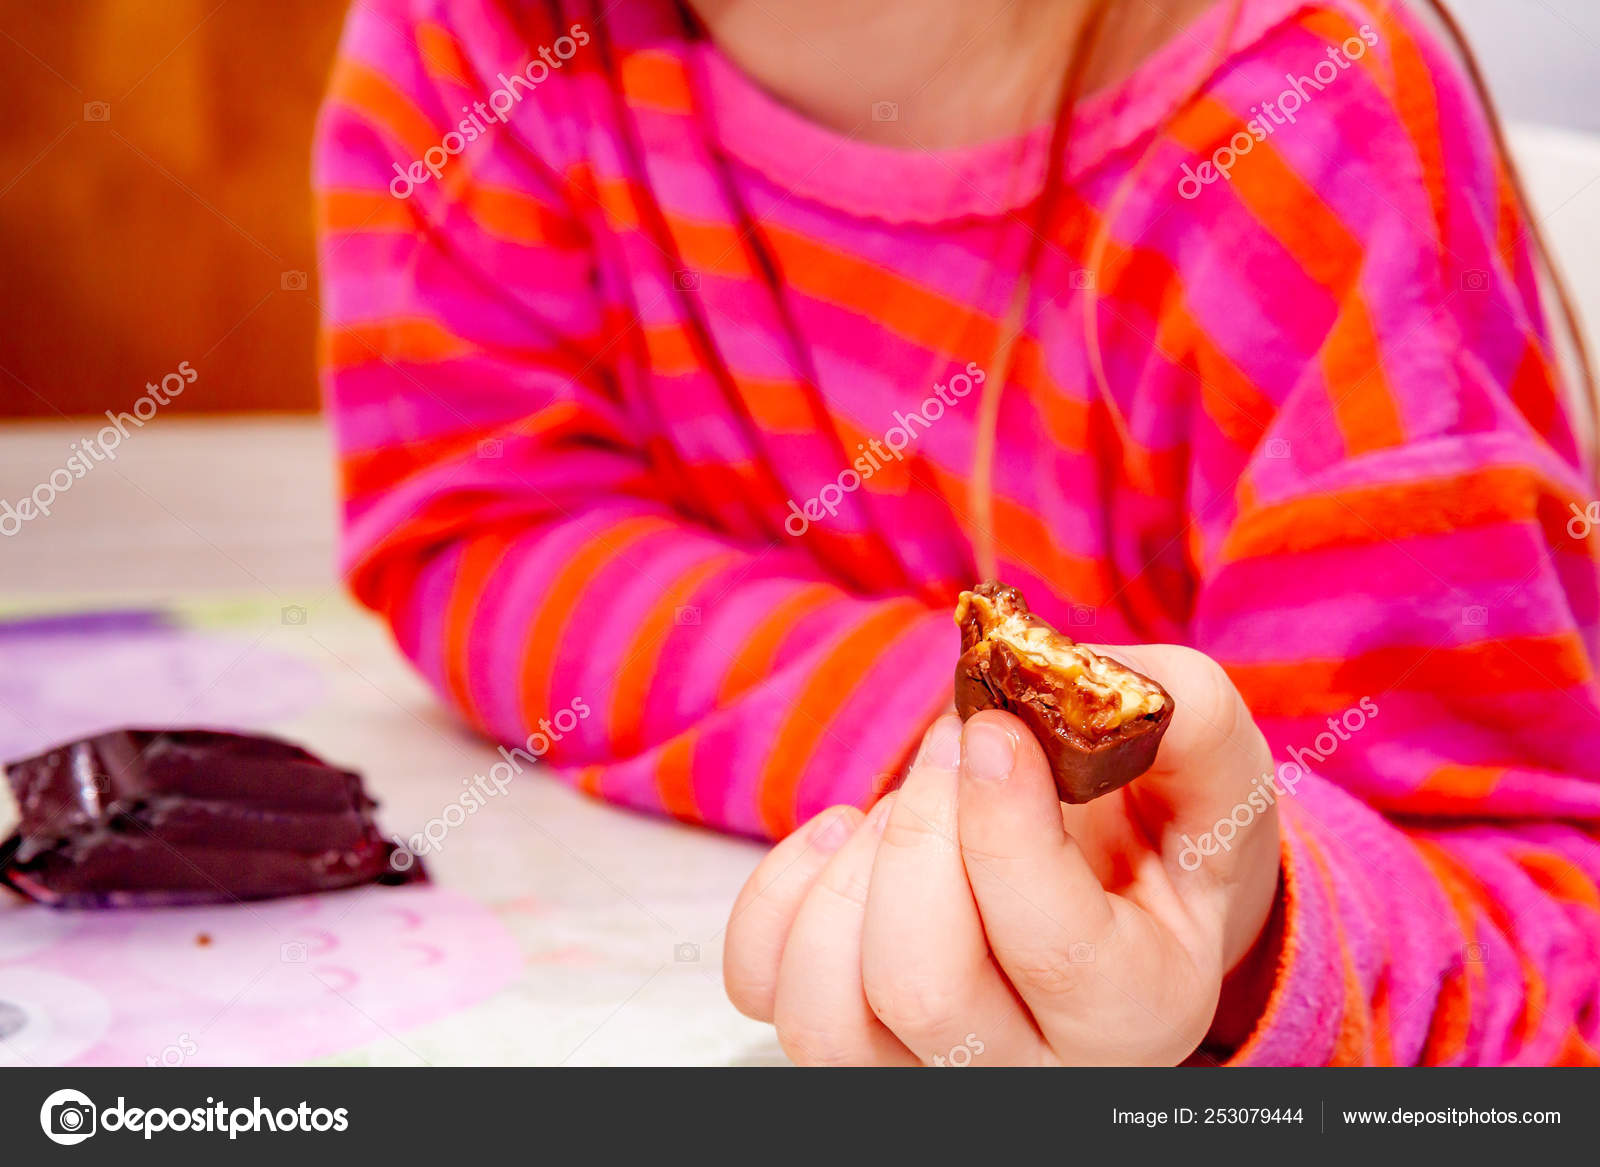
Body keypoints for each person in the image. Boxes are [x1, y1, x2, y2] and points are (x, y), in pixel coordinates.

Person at [313, 0, 1600, 1064]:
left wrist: (1237, 936)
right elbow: (479, 526)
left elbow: (1544, 929)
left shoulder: (1312, 136)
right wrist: (939, 745)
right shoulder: (466, 46)